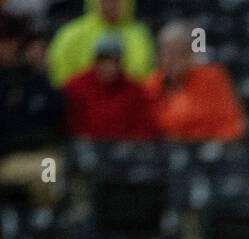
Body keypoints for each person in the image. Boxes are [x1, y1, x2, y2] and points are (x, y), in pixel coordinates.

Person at [0, 15, 65, 205]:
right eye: (4, 41)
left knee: (52, 170)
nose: (7, 47)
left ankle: (46, 221)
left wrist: (41, 71)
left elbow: (55, 115)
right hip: (6, 156)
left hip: (39, 155)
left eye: (11, 41)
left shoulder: (37, 80)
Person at [144, 20, 245, 142]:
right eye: (167, 52)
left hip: (207, 148)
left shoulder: (211, 78)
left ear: (191, 54)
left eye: (180, 52)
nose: (172, 58)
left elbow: (232, 125)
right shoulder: (152, 82)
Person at [63, 33, 156, 140]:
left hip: (124, 152)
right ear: (95, 62)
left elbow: (144, 128)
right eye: (102, 61)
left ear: (121, 63)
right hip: (84, 150)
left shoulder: (135, 91)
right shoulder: (75, 87)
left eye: (113, 61)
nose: (107, 66)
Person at [47, 0, 153, 87]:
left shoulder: (140, 36)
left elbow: (145, 75)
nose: (111, 5)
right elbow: (59, 73)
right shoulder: (71, 35)